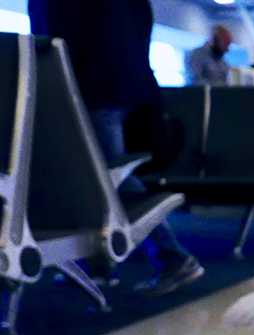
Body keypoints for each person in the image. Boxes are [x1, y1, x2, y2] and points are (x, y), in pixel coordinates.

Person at [28, 0, 204, 296]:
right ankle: (101, 265)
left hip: (94, 86)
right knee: (105, 174)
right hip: (124, 84)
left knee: (107, 177)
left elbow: (58, 33)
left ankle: (174, 256)